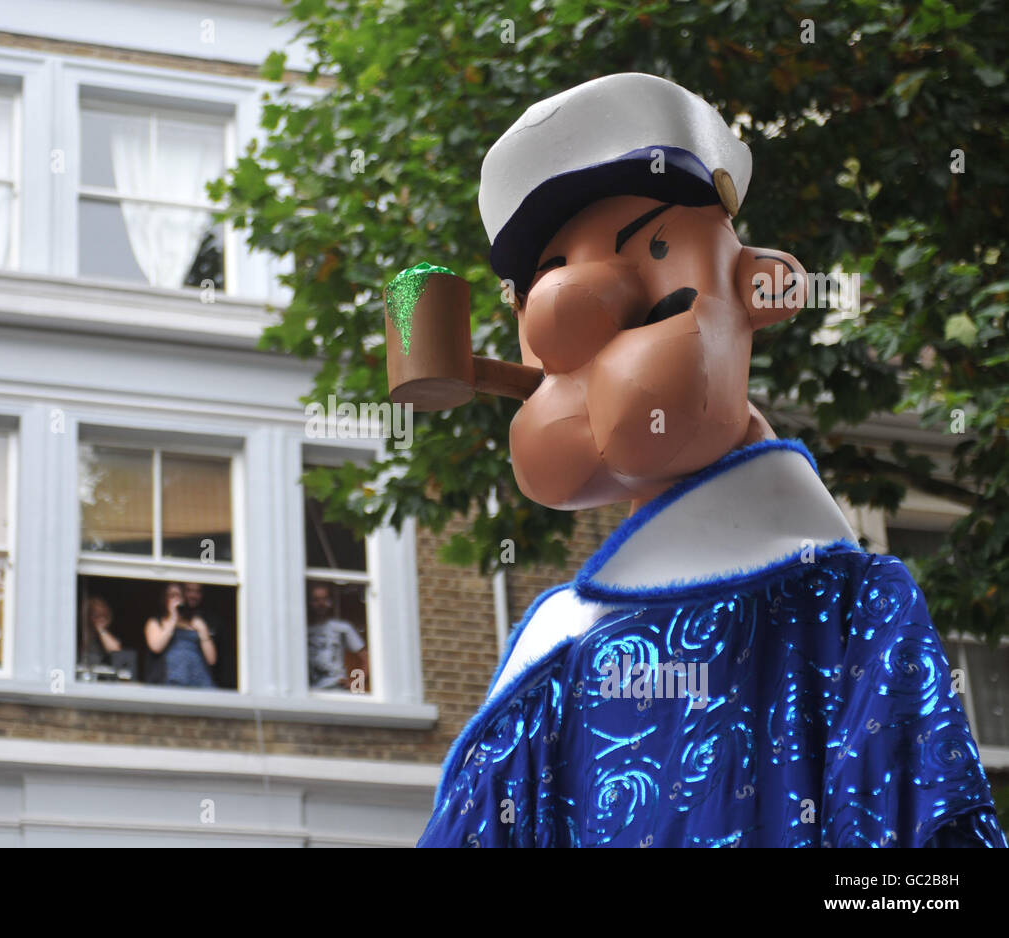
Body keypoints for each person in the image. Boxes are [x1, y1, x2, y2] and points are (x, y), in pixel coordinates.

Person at [416, 73, 1005, 847]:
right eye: (543, 291)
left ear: (762, 287)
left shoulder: (853, 612)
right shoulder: (548, 656)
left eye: (656, 258)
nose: (567, 311)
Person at [144, 582, 216, 688]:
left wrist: (203, 629)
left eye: (179, 595)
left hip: (198, 677)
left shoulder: (195, 622)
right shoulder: (156, 622)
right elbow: (156, 647)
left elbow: (212, 659)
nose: (176, 599)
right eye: (172, 595)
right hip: (171, 678)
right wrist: (173, 619)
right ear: (165, 599)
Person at [306, 582, 368, 691]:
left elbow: (366, 659)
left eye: (325, 599)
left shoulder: (342, 628)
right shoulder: (302, 630)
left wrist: (354, 684)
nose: (321, 604)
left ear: (331, 602)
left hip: (336, 688)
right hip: (309, 690)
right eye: (316, 600)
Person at [182, 582, 232, 688]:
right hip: (175, 682)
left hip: (204, 683)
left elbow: (220, 659)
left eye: (197, 592)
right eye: (189, 590)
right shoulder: (169, 620)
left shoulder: (213, 622)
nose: (193, 595)